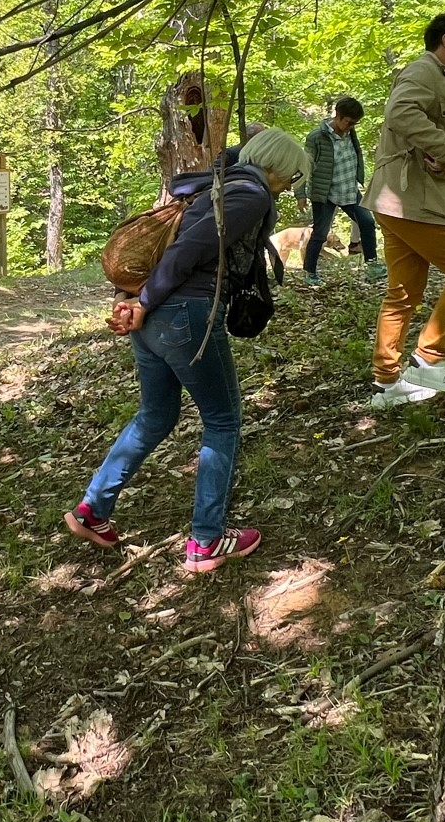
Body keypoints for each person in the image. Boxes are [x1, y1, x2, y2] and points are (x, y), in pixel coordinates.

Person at [65, 129, 305, 574]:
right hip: (182, 313)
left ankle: (92, 511)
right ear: (277, 169)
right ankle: (207, 541)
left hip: (158, 316)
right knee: (223, 421)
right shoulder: (248, 194)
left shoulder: (220, 182)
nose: (288, 187)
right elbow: (187, 249)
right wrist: (144, 301)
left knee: (155, 414)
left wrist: (141, 303)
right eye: (291, 178)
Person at [366, 10, 445, 405]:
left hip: (399, 202)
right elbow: (401, 114)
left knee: (402, 292)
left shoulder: (441, 79)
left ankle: (386, 384)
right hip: (415, 201)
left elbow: (432, 126)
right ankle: (429, 358)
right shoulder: (424, 71)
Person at [298, 97, 382, 285]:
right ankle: (309, 273)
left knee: (367, 222)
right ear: (338, 116)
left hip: (348, 190)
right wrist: (300, 194)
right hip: (325, 192)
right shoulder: (316, 137)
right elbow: (304, 165)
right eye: (349, 122)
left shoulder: (351, 133)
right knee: (320, 233)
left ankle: (372, 266)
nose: (352, 126)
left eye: (355, 123)